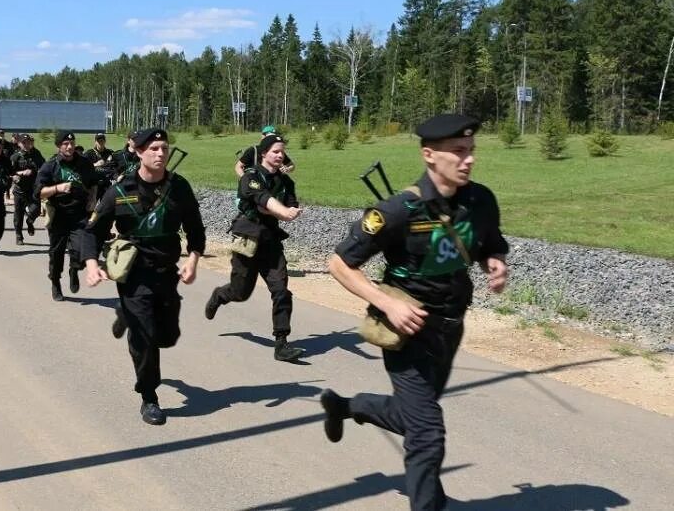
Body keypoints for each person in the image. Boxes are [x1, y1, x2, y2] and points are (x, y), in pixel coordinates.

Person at [321, 114, 509, 511]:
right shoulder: (398, 209)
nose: (468, 160)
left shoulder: (481, 201)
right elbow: (339, 263)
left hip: (450, 327)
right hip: (406, 332)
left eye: (471, 151)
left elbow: (491, 243)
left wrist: (494, 262)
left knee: (413, 418)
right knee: (427, 434)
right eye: (458, 152)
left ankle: (345, 406)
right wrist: (388, 302)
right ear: (429, 155)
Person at [80, 128, 206, 425]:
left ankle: (124, 314)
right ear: (137, 151)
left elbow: (195, 228)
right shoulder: (120, 189)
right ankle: (149, 396)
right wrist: (90, 265)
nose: (160, 153)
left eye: (164, 148)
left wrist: (194, 260)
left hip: (167, 271)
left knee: (167, 336)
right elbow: (92, 231)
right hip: (134, 274)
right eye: (153, 149)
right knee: (145, 337)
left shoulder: (179, 187)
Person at [205, 134, 305, 361]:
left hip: (271, 241)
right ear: (264, 154)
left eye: (282, 152)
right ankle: (219, 296)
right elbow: (262, 201)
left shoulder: (286, 182)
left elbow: (291, 203)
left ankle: (281, 343)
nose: (280, 156)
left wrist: (292, 211)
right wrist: (283, 212)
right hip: (248, 238)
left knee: (281, 291)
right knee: (240, 292)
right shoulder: (251, 177)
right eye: (275, 152)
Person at [34, 130, 99, 301]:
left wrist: (92, 200)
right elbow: (39, 192)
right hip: (59, 215)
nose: (69, 147)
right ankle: (55, 282)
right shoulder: (50, 166)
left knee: (80, 251)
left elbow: (93, 183)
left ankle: (74, 269)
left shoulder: (84, 163)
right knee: (56, 254)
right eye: (65, 144)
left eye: (71, 143)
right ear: (58, 146)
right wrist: (57, 188)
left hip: (79, 215)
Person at [10, 133, 45, 245]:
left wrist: (35, 172)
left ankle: (30, 221)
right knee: (18, 214)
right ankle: (19, 235)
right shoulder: (15, 156)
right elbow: (9, 172)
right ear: (19, 143)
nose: (26, 144)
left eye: (28, 142)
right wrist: (19, 173)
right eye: (24, 142)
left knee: (36, 210)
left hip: (33, 189)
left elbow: (44, 167)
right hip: (20, 190)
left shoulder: (36, 154)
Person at [84, 132, 114, 197]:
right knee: (92, 204)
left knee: (107, 205)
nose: (101, 142)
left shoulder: (110, 152)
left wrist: (108, 161)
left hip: (107, 182)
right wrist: (95, 164)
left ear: (105, 141)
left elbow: (115, 166)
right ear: (95, 142)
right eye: (98, 140)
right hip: (94, 184)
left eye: (102, 140)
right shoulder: (89, 153)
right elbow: (83, 167)